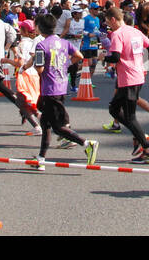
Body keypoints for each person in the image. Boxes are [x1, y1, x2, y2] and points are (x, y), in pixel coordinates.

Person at [27, 12, 98, 169]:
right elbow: (78, 55)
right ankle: (41, 159)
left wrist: (39, 68)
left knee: (58, 127)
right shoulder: (63, 42)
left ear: (39, 28)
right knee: (45, 124)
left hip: (49, 89)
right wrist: (64, 65)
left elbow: (39, 69)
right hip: (60, 85)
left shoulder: (41, 45)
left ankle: (86, 143)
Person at [102, 5, 149, 163]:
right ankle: (138, 133)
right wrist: (140, 62)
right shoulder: (135, 31)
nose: (108, 25)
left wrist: (103, 57)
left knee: (130, 116)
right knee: (114, 109)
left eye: (108, 22)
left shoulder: (117, 34)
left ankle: (148, 149)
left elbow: (115, 57)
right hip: (136, 76)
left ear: (113, 19)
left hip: (128, 79)